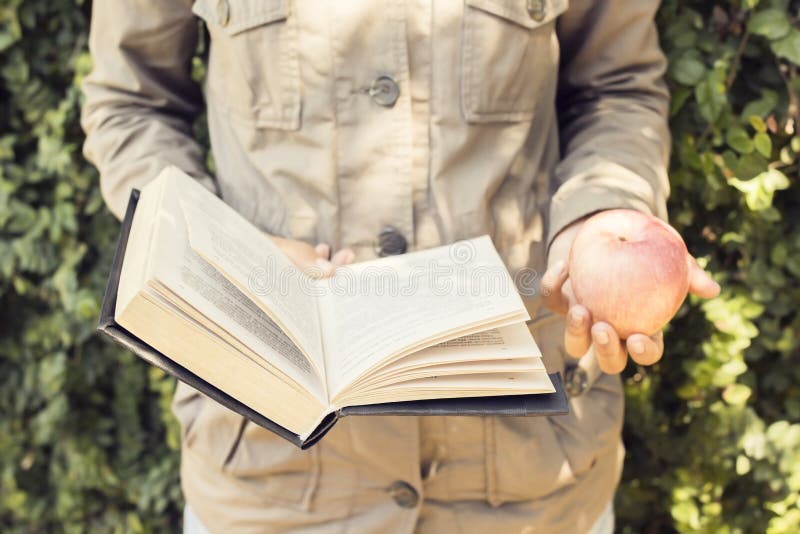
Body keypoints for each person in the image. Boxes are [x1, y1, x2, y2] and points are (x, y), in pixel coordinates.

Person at [81, 1, 720, 532]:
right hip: (272, 480)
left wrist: (600, 211)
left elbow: (616, 87)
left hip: (531, 486)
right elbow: (130, 103)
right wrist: (228, 253)